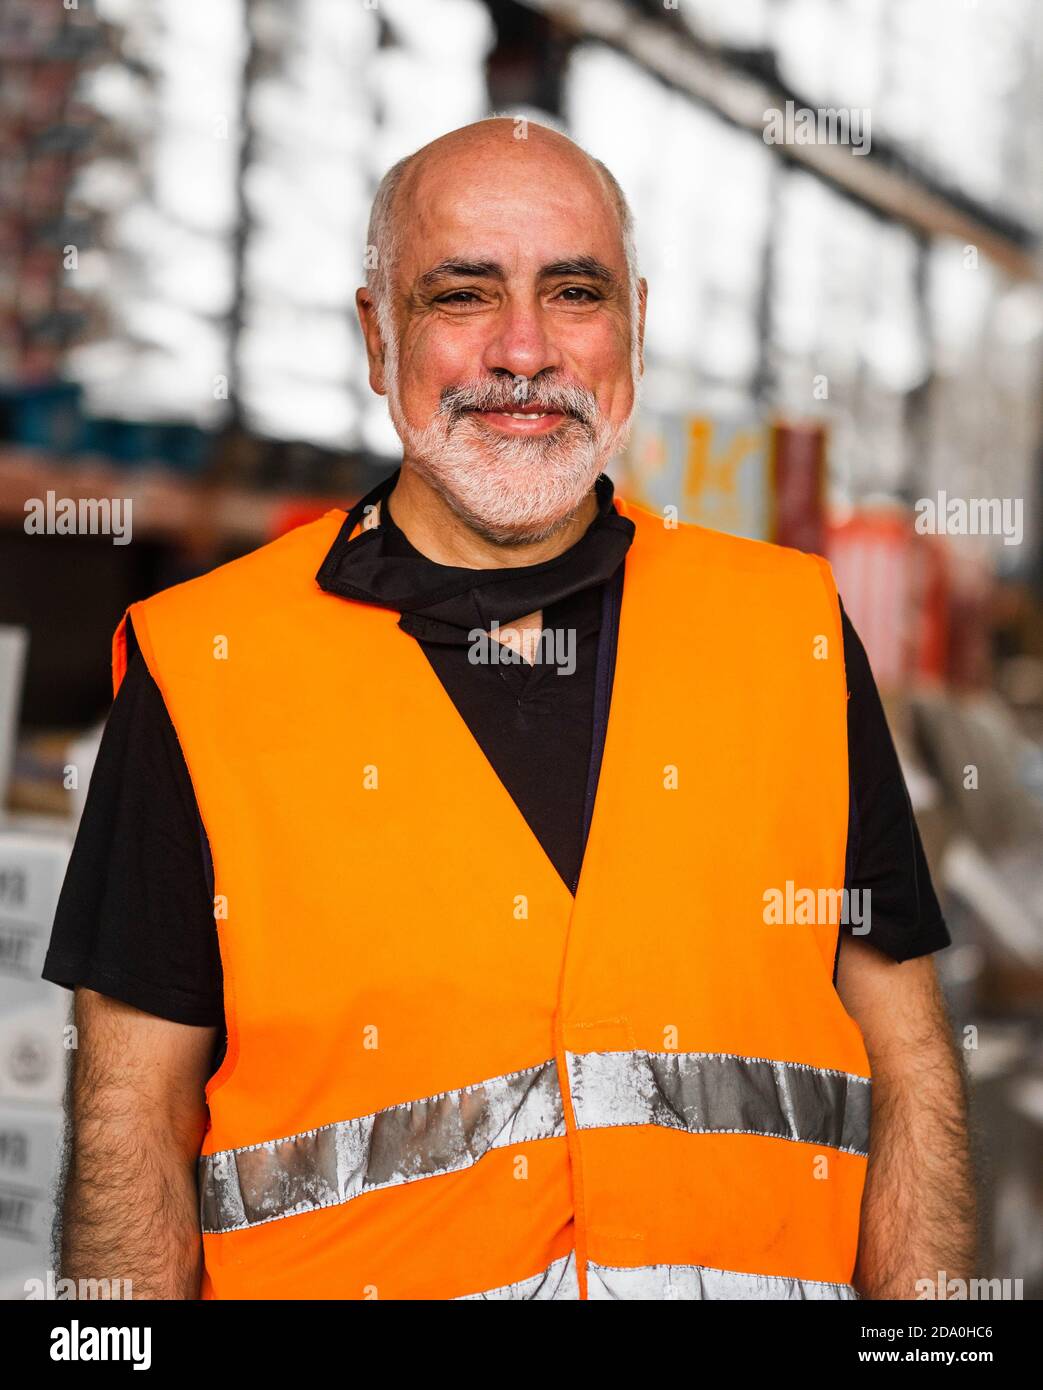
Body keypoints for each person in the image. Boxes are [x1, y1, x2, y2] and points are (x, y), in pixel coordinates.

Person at [45, 118, 974, 1300]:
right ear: (379, 336)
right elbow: (133, 1114)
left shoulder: (785, 632)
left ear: (632, 328)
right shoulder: (207, 666)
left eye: (572, 291)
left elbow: (908, 1064)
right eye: (461, 294)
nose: (523, 350)